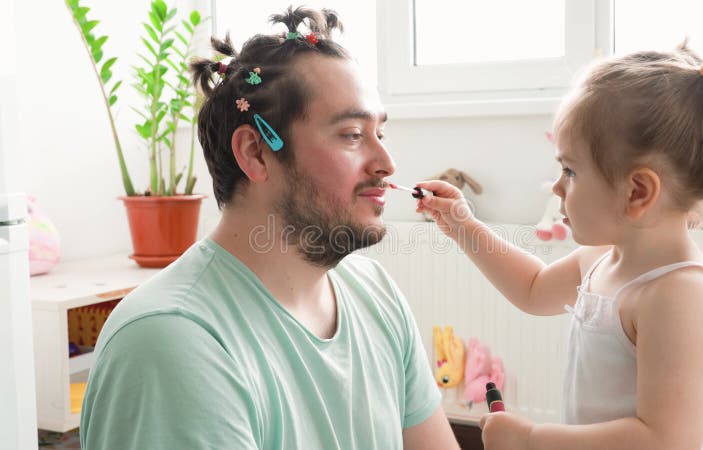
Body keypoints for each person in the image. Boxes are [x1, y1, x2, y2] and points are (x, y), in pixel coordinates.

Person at [80, 7, 458, 450]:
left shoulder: (376, 294)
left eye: (381, 133)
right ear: (256, 152)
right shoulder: (172, 342)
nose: (386, 163)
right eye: (353, 134)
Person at [417, 44, 703, 450]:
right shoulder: (603, 261)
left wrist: (531, 439)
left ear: (637, 191)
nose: (558, 187)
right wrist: (463, 225)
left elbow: (666, 440)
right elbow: (532, 288)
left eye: (570, 171)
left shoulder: (681, 294)